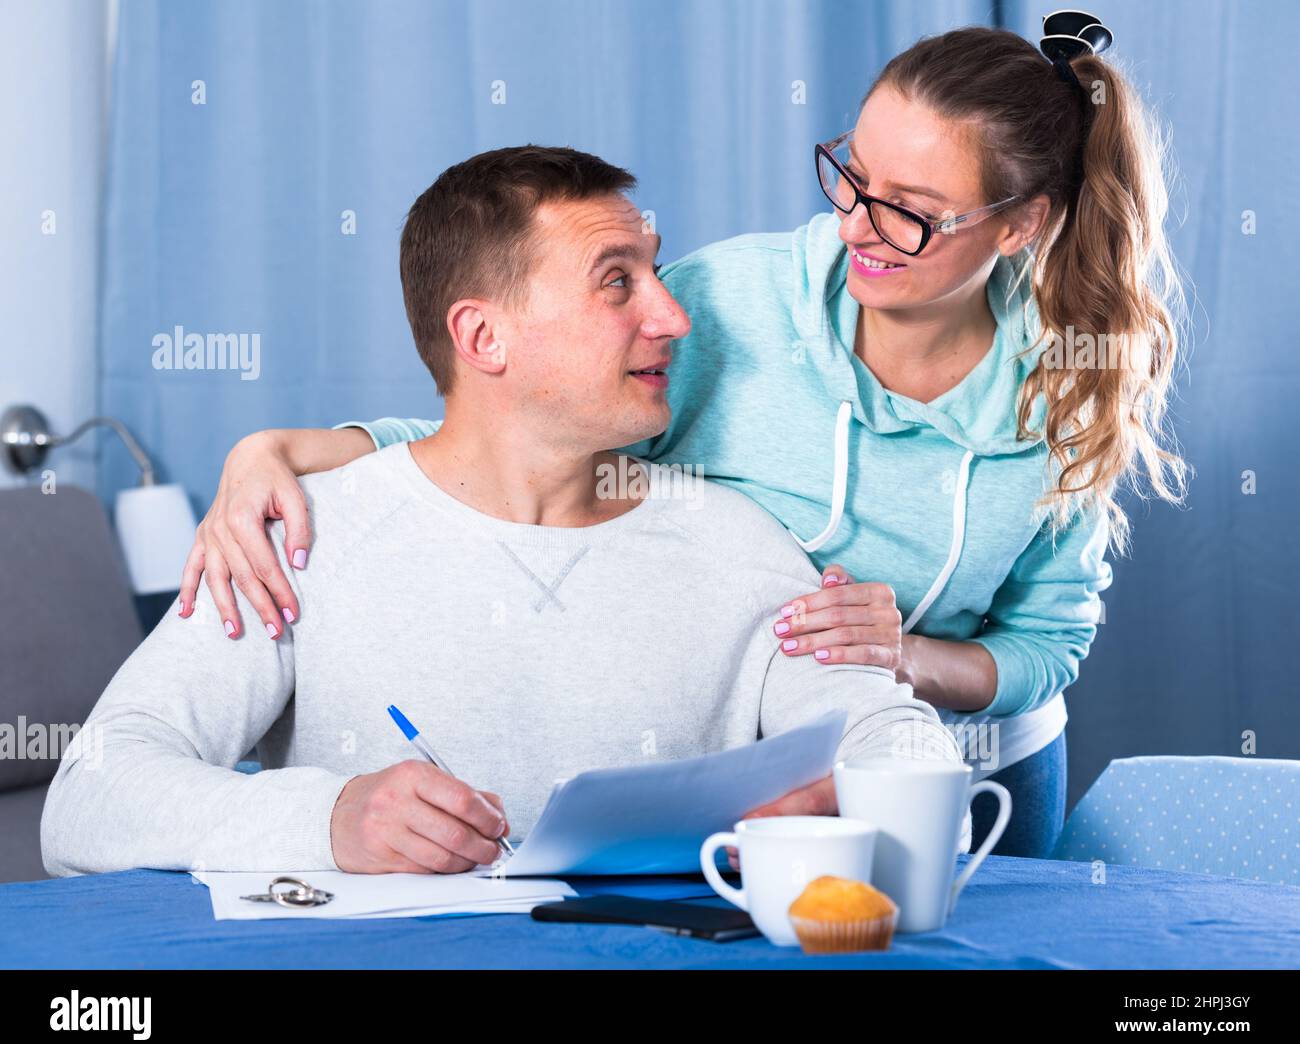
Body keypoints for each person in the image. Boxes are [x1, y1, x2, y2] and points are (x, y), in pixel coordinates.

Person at [180, 22, 1185, 859]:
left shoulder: (1076, 382)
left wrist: (907, 658)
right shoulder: (730, 305)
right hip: (775, 765)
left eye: (910, 215)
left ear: (1018, 227)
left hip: (976, 770)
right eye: (851, 174)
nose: (855, 226)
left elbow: (1048, 641)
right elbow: (532, 428)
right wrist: (290, 448)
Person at [41, 146, 961, 878]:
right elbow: (90, 798)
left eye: (656, 272)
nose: (674, 317)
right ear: (483, 338)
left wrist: (853, 794)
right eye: (618, 282)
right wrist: (326, 818)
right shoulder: (297, 536)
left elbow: (895, 738)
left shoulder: (739, 542)